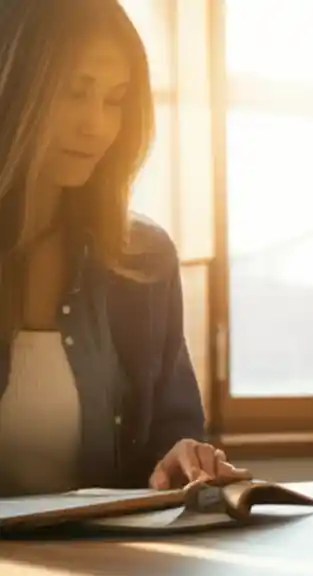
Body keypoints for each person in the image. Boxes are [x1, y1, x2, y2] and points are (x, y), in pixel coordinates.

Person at [0, 0, 248, 496]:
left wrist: (184, 461)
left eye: (114, 100)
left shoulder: (144, 259)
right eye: (75, 93)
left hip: (108, 563)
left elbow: (171, 442)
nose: (97, 125)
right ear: (15, 86)